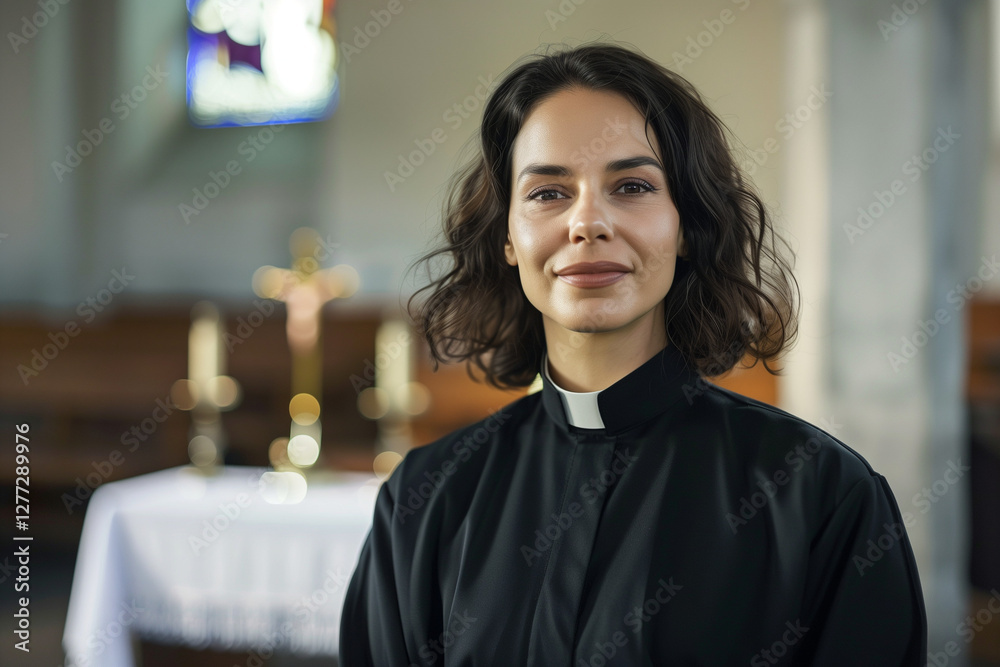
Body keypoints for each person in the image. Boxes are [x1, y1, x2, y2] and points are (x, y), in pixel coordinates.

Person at [339, 42, 927, 666]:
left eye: (632, 185)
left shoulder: (818, 493)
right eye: (547, 193)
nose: (587, 222)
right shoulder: (427, 497)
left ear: (686, 227)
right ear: (508, 236)